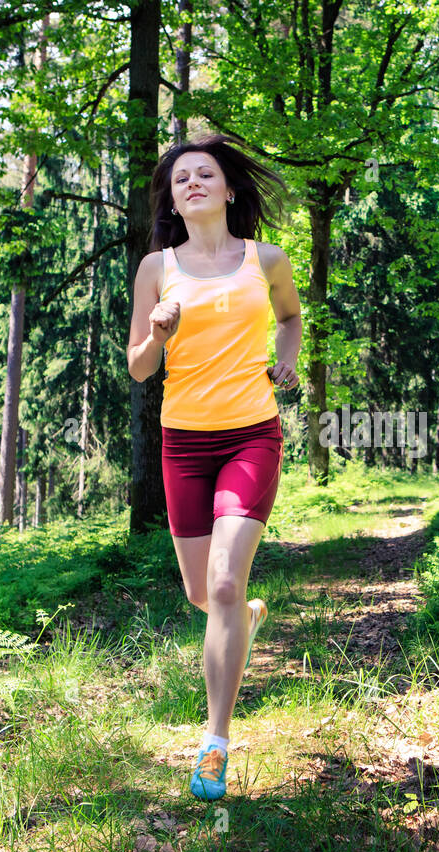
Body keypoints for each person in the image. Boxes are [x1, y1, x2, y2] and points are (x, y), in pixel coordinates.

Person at [127, 134, 303, 801]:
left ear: (229, 189)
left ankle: (215, 742)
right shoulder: (156, 269)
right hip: (184, 443)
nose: (193, 183)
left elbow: (289, 318)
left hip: (251, 436)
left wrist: (286, 360)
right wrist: (159, 335)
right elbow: (140, 367)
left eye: (206, 174)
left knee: (225, 585)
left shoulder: (267, 259)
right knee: (204, 596)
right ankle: (245, 618)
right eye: (181, 179)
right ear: (173, 200)